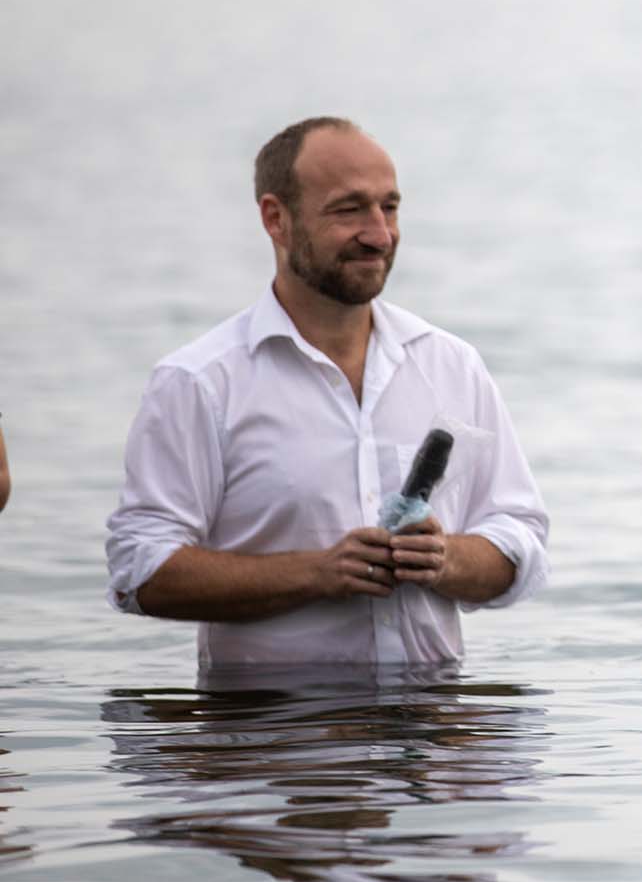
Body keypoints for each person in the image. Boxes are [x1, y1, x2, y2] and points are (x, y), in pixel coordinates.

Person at [104, 117, 550, 667]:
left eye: (389, 207)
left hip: (434, 728)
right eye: (349, 209)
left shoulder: (451, 364)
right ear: (276, 219)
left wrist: (445, 559)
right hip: (272, 732)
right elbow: (139, 571)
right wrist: (315, 573)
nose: (379, 234)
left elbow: (522, 540)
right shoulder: (199, 381)